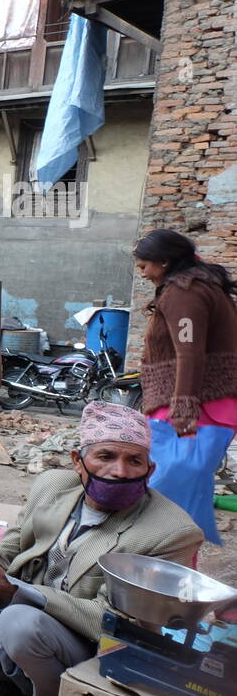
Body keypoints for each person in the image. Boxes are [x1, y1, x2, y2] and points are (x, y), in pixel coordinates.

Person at [0, 401, 202, 696]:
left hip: (95, 642)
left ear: (150, 469)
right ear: (77, 461)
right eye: (106, 456)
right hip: (35, 611)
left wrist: (15, 590)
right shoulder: (53, 486)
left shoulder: (170, 532)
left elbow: (120, 623)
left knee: (20, 621)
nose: (120, 471)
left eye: (134, 461)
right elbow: (14, 544)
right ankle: (2, 684)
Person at [133, 228, 237, 546]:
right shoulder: (200, 287)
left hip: (195, 408)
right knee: (189, 494)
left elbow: (189, 348)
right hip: (206, 404)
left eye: (144, 265)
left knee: (165, 491)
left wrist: (184, 405)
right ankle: (178, 564)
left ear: (164, 262)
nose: (143, 273)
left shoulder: (185, 293)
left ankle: (155, 561)